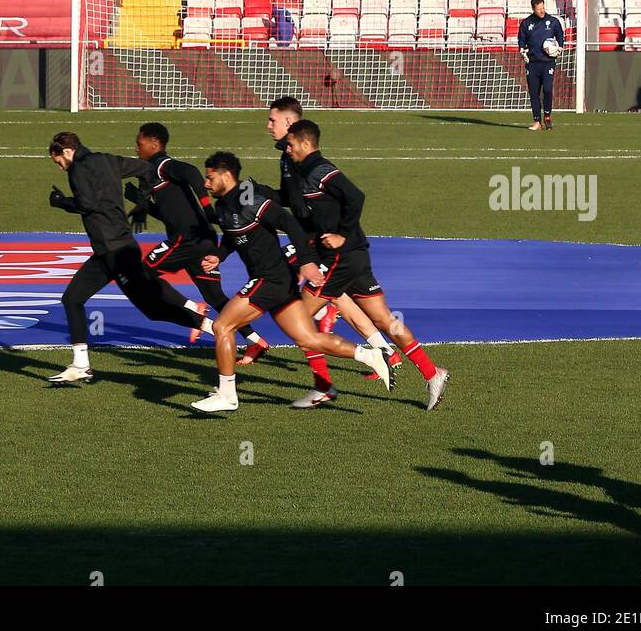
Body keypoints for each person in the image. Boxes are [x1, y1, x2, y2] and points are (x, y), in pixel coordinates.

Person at [190, 151, 390, 413]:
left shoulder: (245, 197)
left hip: (269, 279)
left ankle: (227, 395)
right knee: (308, 338)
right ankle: (369, 355)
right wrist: (218, 257)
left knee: (222, 326)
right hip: (278, 283)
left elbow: (286, 220)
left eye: (210, 178)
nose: (205, 184)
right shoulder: (223, 206)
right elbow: (231, 237)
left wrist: (306, 261)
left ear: (226, 176)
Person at [286, 120, 450, 412]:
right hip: (355, 258)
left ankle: (325, 386)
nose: (288, 149)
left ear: (306, 144)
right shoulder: (303, 172)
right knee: (386, 321)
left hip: (341, 259)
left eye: (290, 144)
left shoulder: (321, 170)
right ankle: (431, 372)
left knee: (296, 321)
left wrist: (342, 235)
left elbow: (355, 196)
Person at [46, 131, 212, 385]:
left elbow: (86, 204)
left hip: (117, 253)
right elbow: (145, 169)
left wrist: (60, 202)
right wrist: (144, 200)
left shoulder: (78, 167)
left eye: (58, 161)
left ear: (66, 151)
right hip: (108, 252)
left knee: (153, 309)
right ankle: (80, 365)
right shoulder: (108, 159)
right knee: (72, 298)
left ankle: (212, 327)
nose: (60, 167)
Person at [267, 97, 402, 388]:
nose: (268, 126)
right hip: (313, 238)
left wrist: (336, 233)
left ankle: (323, 381)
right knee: (339, 296)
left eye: (272, 120)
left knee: (277, 276)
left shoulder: (303, 160)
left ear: (290, 125)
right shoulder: (288, 155)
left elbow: (348, 196)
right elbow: (291, 199)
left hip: (316, 239)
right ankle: (385, 351)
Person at [126, 121, 270, 365]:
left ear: (154, 144)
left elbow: (191, 172)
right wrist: (143, 206)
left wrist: (205, 205)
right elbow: (169, 214)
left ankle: (192, 307)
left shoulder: (161, 165)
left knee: (142, 274)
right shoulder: (152, 176)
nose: (136, 149)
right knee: (216, 296)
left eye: (139, 144)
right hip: (202, 240)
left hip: (186, 240)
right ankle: (256, 341)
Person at [517, 0, 566, 131]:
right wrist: (522, 50)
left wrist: (560, 46)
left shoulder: (552, 21)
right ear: (533, 9)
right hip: (532, 63)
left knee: (548, 90)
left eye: (543, 8)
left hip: (548, 62)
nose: (542, 11)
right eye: (539, 9)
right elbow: (522, 39)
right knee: (534, 93)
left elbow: (560, 35)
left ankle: (547, 115)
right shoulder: (526, 23)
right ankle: (537, 122)